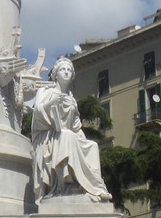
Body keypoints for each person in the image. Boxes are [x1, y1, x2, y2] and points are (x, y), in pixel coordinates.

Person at [31, 58, 112, 203]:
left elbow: (76, 127)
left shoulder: (71, 99)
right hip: (47, 137)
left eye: (69, 70)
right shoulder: (44, 91)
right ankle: (62, 187)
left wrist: (82, 141)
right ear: (55, 74)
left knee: (92, 146)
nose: (66, 72)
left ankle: (96, 188)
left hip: (66, 136)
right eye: (63, 69)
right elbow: (37, 114)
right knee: (67, 136)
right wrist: (52, 103)